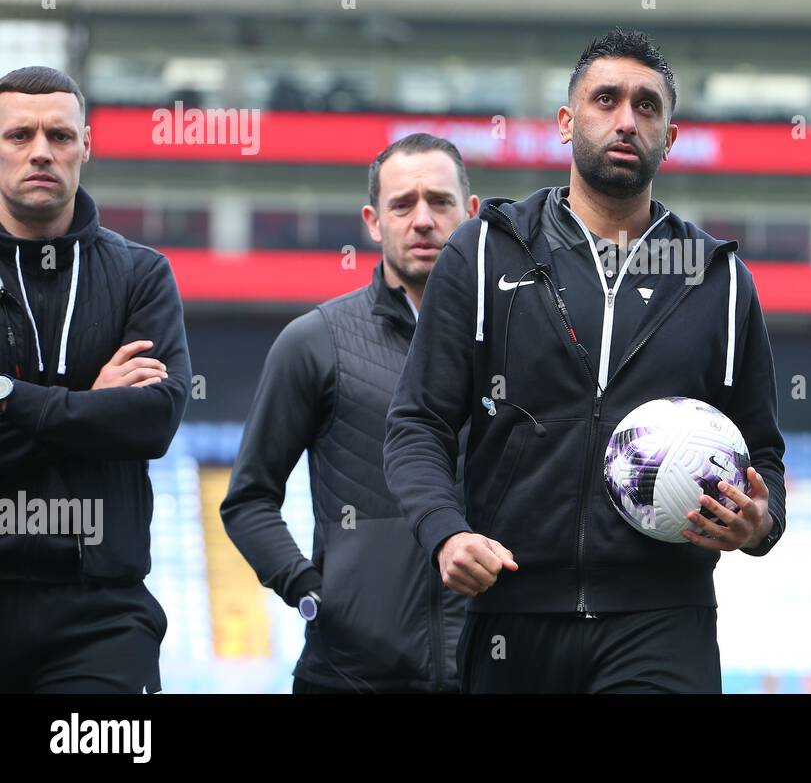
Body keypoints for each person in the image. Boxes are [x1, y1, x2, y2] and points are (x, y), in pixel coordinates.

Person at [385, 27, 787, 693]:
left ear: (671, 137)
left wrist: (758, 522)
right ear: (568, 123)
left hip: (662, 622)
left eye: (648, 106)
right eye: (607, 100)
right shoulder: (485, 253)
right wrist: (445, 533)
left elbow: (762, 453)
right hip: (514, 613)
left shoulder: (717, 278)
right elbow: (418, 425)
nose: (627, 120)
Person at [222, 134, 476, 693]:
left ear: (471, 213)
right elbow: (248, 499)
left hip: (494, 673)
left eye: (440, 202)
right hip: (348, 677)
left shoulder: (516, 340)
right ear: (372, 221)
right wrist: (314, 595)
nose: (424, 221)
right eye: (402, 205)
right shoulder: (315, 342)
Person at [0, 66, 190, 692]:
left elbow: (154, 420)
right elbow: (114, 420)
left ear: (87, 145)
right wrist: (89, 406)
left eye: (59, 134)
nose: (40, 152)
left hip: (102, 615)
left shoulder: (142, 275)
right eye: (18, 135)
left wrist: (14, 399)